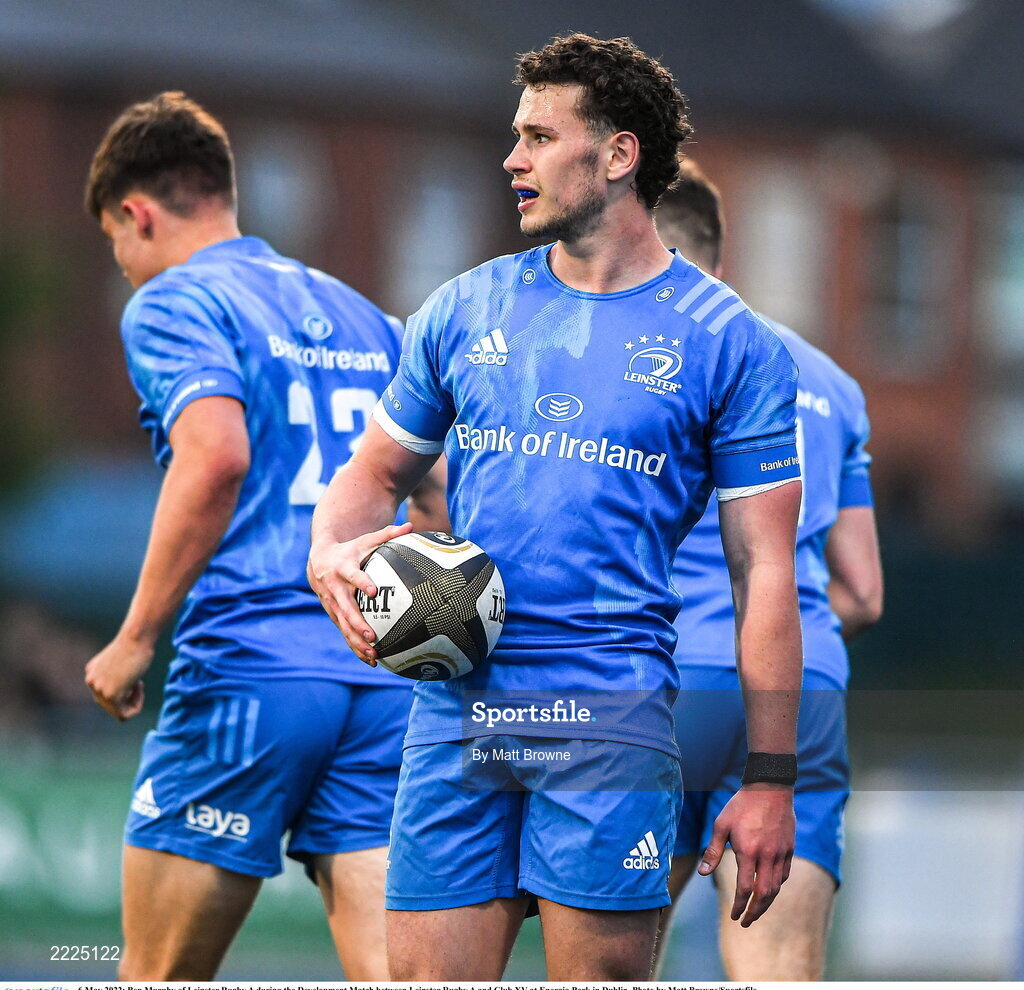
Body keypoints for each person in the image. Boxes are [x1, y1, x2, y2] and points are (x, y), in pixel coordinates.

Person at [308, 35, 804, 981]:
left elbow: (763, 573)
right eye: (514, 136)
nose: (513, 160)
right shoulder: (464, 308)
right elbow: (369, 479)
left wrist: (772, 779)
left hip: (608, 720)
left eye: (538, 137)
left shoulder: (732, 346)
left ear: (617, 155)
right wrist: (329, 553)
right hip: (455, 711)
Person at [82, 92, 426, 981]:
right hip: (381, 671)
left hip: (252, 665)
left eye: (117, 246)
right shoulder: (363, 314)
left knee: (157, 975)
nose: (124, 269)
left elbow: (215, 458)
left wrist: (132, 639)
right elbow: (438, 492)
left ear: (137, 213)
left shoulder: (173, 302)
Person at [653, 160, 883, 980]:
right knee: (776, 968)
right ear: (720, 254)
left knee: (608, 962)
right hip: (802, 690)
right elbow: (863, 592)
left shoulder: (624, 357)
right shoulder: (832, 381)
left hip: (664, 685)